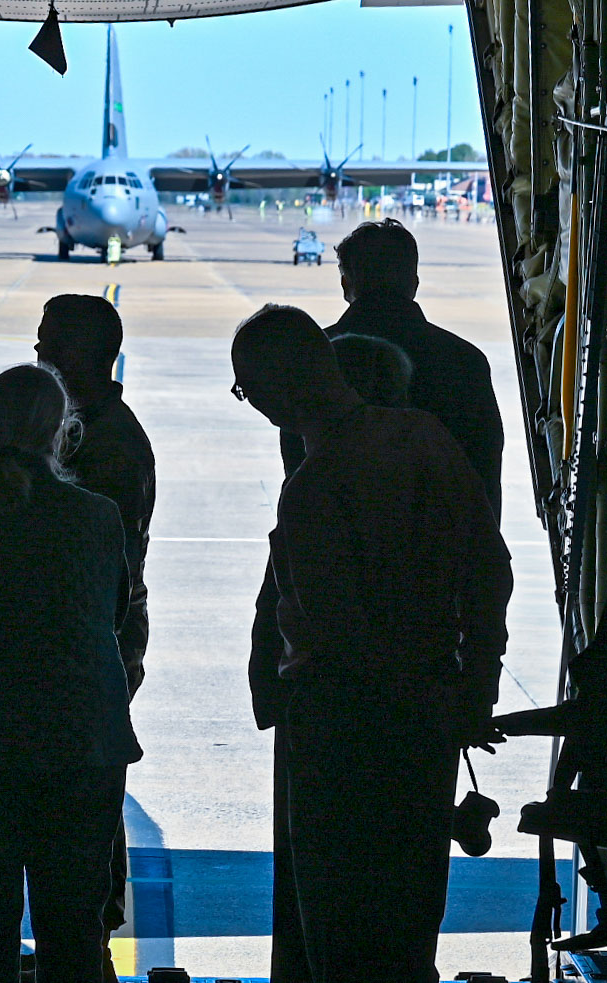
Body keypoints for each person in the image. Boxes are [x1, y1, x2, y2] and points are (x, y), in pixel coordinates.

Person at [233, 305, 511, 983]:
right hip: (429, 711)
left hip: (342, 726)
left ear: (274, 387)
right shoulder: (425, 438)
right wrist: (472, 686)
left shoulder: (313, 487)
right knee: (408, 925)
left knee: (336, 929)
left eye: (247, 388)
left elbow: (337, 630)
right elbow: (488, 568)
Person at [0, 364, 141, 983]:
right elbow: (115, 612)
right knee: (72, 928)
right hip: (80, 742)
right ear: (63, 432)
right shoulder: (97, 518)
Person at [251, 329, 414, 983]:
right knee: (398, 893)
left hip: (332, 705)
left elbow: (306, 609)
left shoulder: (317, 484)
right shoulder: (420, 472)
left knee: (320, 891)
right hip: (403, 707)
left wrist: (276, 686)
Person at [33, 294, 154, 978]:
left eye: (49, 342)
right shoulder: (93, 427)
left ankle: (89, 935)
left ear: (79, 353)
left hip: (92, 637)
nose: (39, 351)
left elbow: (94, 564)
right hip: (93, 632)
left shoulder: (105, 442)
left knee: (82, 793)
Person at [281, 219, 504, 520]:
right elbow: (485, 473)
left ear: (346, 284)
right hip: (441, 552)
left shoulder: (311, 359)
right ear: (414, 283)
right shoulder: (466, 361)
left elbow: (296, 471)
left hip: (335, 549)